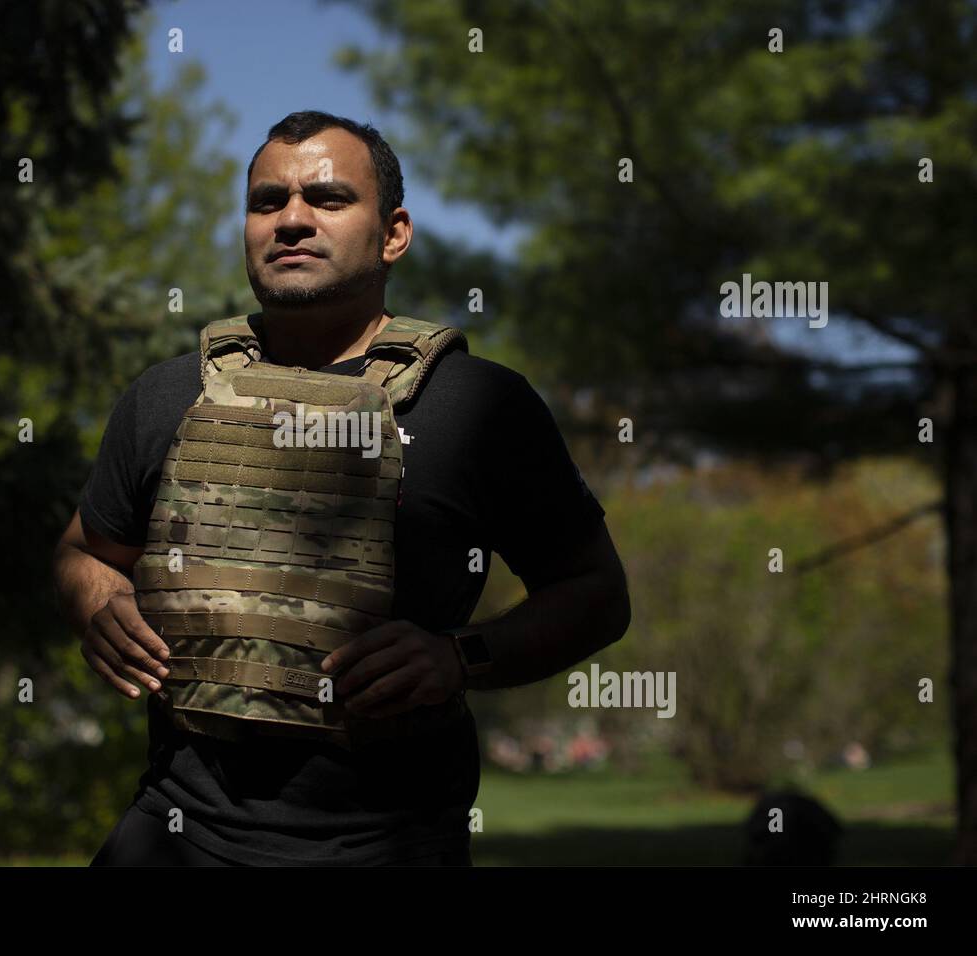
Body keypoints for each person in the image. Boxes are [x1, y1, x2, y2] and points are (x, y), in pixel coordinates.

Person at [52, 110, 631, 866]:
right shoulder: (167, 396)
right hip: (175, 834)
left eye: (327, 198)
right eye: (268, 202)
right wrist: (99, 600)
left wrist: (460, 658)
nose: (291, 220)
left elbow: (596, 593)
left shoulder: (478, 406)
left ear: (394, 233)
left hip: (387, 844)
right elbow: (83, 552)